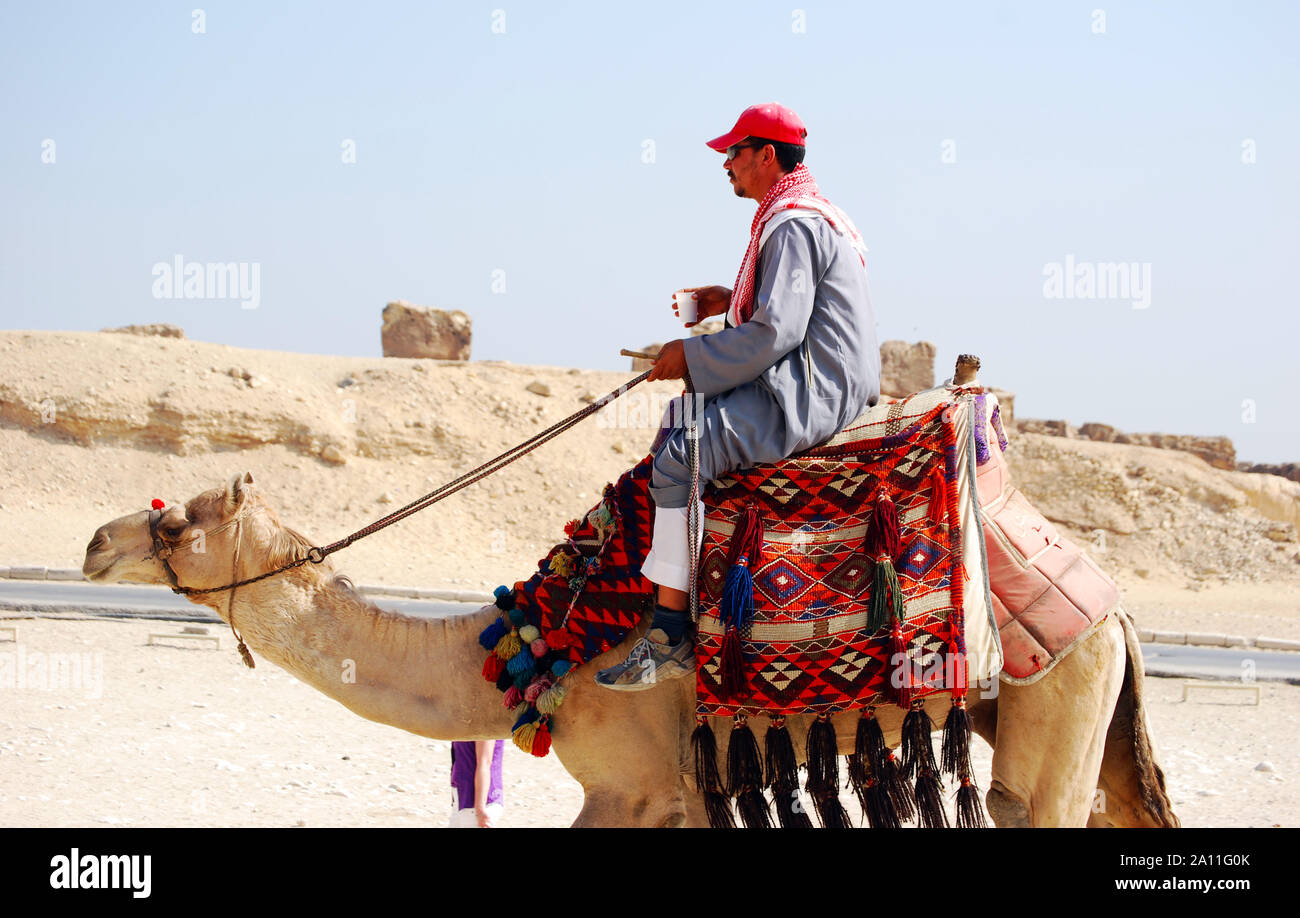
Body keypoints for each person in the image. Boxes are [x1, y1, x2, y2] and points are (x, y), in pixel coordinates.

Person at [595, 102, 881, 691]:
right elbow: (785, 307)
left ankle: (671, 632)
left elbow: (778, 332)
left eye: (734, 153)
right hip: (808, 372)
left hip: (810, 387)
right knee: (678, 421)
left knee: (681, 453)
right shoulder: (795, 215)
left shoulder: (795, 224)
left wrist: (689, 357)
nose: (726, 164)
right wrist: (732, 299)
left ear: (767, 156)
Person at [448, 739, 504, 827]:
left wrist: (480, 810)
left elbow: (484, 763)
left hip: (478, 802)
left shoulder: (485, 726)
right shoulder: (464, 725)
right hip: (462, 798)